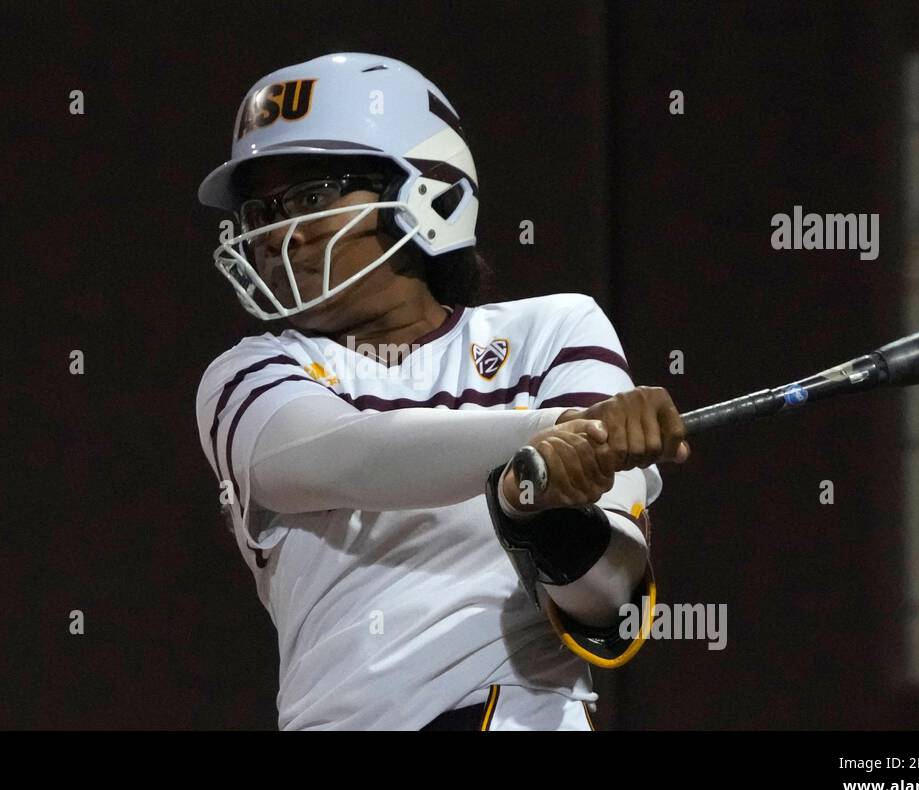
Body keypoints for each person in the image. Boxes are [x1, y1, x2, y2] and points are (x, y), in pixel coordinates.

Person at [195, 52, 690, 730]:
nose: (284, 231)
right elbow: (348, 457)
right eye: (262, 209)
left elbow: (609, 605)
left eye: (312, 196)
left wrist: (538, 512)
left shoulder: (554, 330)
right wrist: (547, 436)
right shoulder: (247, 373)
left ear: (431, 193)